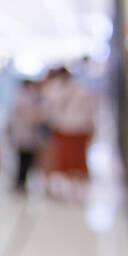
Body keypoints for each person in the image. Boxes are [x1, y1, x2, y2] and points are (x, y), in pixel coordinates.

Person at [44, 65, 96, 198]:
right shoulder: (81, 89)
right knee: (72, 160)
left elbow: (50, 109)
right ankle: (73, 188)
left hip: (66, 127)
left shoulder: (56, 89)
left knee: (69, 160)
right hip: (75, 128)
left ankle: (69, 188)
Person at [8, 78, 44, 194]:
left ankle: (21, 181)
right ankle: (21, 182)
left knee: (24, 159)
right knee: (23, 159)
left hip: (26, 135)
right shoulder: (26, 99)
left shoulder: (22, 98)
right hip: (24, 134)